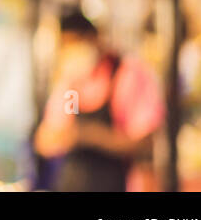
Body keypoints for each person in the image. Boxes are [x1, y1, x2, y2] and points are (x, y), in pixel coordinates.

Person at [34, 11, 164, 191]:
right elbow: (49, 136)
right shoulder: (72, 83)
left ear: (94, 38)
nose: (73, 50)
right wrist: (60, 137)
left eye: (77, 43)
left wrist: (91, 135)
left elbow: (145, 141)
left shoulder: (128, 74)